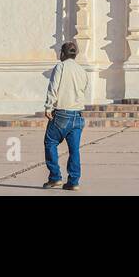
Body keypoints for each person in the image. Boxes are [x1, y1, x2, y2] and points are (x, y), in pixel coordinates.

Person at [43, 41, 88, 190]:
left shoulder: (60, 67)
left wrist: (49, 107)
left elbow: (53, 87)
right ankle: (73, 181)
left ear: (62, 54)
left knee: (50, 143)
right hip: (78, 116)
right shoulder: (82, 71)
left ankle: (55, 177)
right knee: (74, 150)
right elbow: (84, 90)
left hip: (62, 114)